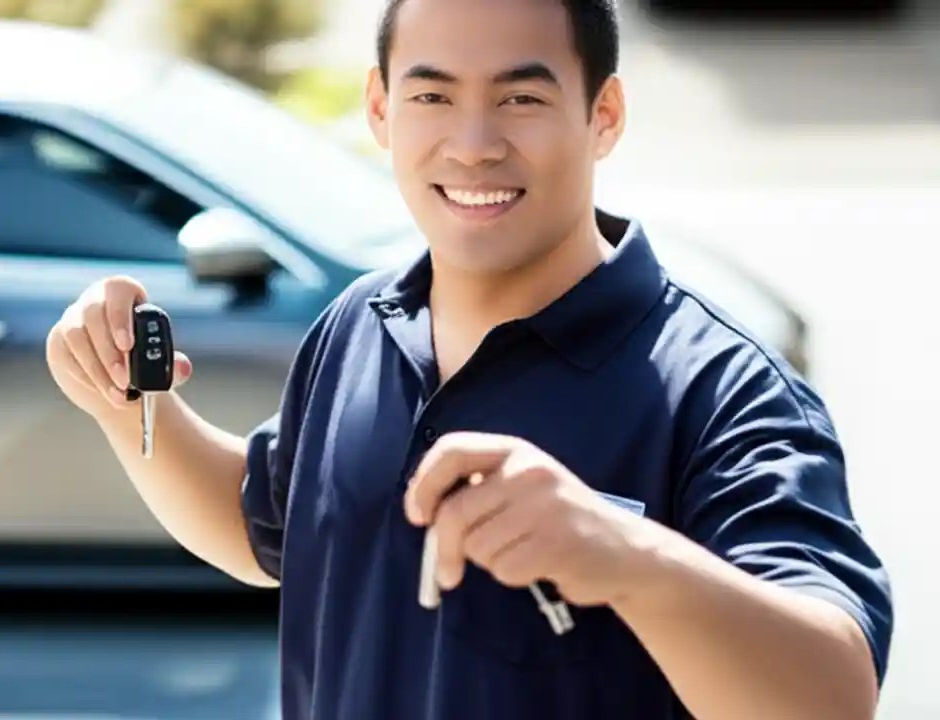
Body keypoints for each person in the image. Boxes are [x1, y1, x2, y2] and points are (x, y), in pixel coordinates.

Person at [45, 0, 892, 717]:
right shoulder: (358, 326)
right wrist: (128, 408)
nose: (474, 143)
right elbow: (262, 528)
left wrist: (624, 557)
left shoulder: (719, 387)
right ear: (380, 109)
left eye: (521, 97)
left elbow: (834, 691)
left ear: (604, 115)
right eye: (433, 96)